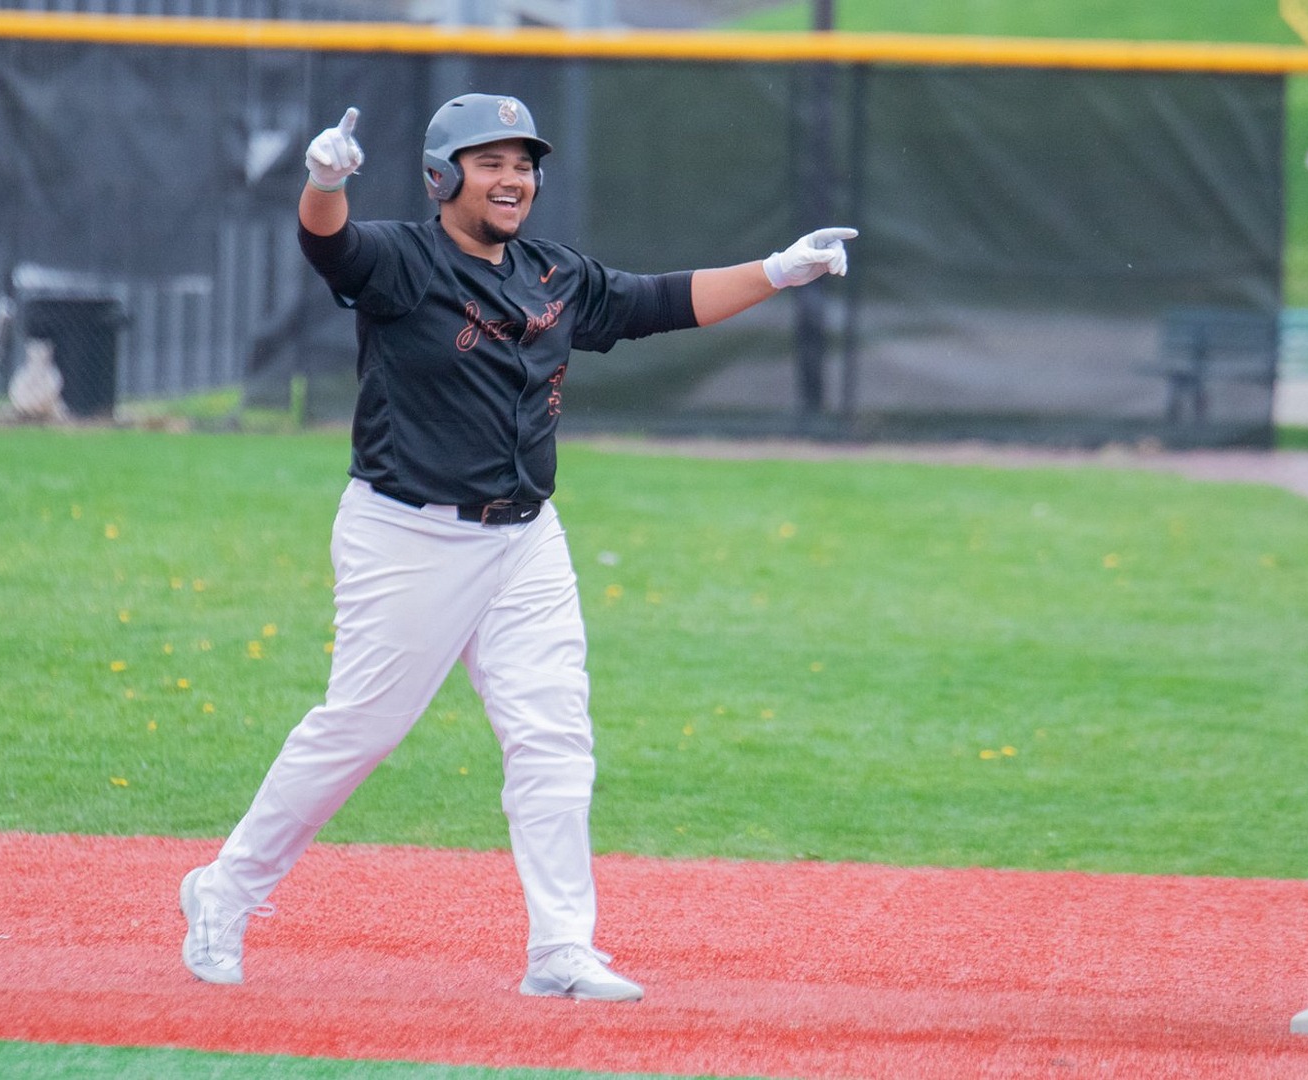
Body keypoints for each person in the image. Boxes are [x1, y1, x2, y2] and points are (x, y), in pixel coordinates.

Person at [179, 93, 854, 1002]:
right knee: (360, 729)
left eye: (524, 163)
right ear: (441, 176)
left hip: (526, 538)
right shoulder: (404, 261)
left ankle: (561, 947)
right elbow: (328, 245)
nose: (512, 179)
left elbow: (658, 303)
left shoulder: (552, 273)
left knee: (553, 735)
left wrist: (778, 269)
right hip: (408, 534)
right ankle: (225, 890)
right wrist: (323, 180)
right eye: (489, 161)